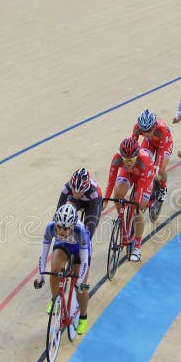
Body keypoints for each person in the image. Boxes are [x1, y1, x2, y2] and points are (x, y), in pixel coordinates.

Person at [34, 203, 92, 335]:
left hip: (80, 251)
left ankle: (83, 316)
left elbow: (84, 261)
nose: (61, 231)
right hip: (63, 246)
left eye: (66, 228)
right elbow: (43, 254)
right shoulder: (50, 229)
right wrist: (40, 274)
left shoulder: (81, 232)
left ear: (72, 226)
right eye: (59, 226)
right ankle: (55, 299)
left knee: (80, 286)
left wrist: (80, 281)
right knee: (55, 269)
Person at [102, 137, 155, 262]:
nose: (128, 162)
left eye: (131, 160)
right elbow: (111, 181)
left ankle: (137, 246)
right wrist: (105, 201)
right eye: (125, 160)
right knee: (117, 195)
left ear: (137, 156)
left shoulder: (144, 161)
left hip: (145, 178)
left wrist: (136, 204)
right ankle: (123, 228)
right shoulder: (116, 159)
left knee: (137, 211)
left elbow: (141, 189)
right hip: (128, 174)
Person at [131, 109, 173, 202]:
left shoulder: (162, 128)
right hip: (150, 143)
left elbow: (162, 152)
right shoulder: (137, 128)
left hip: (165, 144)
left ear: (154, 126)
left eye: (149, 130)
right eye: (144, 131)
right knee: (141, 162)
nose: (146, 133)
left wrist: (157, 167)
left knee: (160, 169)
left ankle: (163, 187)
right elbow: (133, 146)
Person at [57, 167, 102, 239]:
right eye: (74, 190)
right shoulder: (66, 188)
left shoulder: (93, 193)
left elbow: (92, 223)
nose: (76, 194)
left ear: (86, 189)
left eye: (79, 192)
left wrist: (87, 239)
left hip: (92, 203)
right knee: (66, 211)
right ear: (71, 186)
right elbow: (59, 210)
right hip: (76, 201)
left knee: (90, 227)